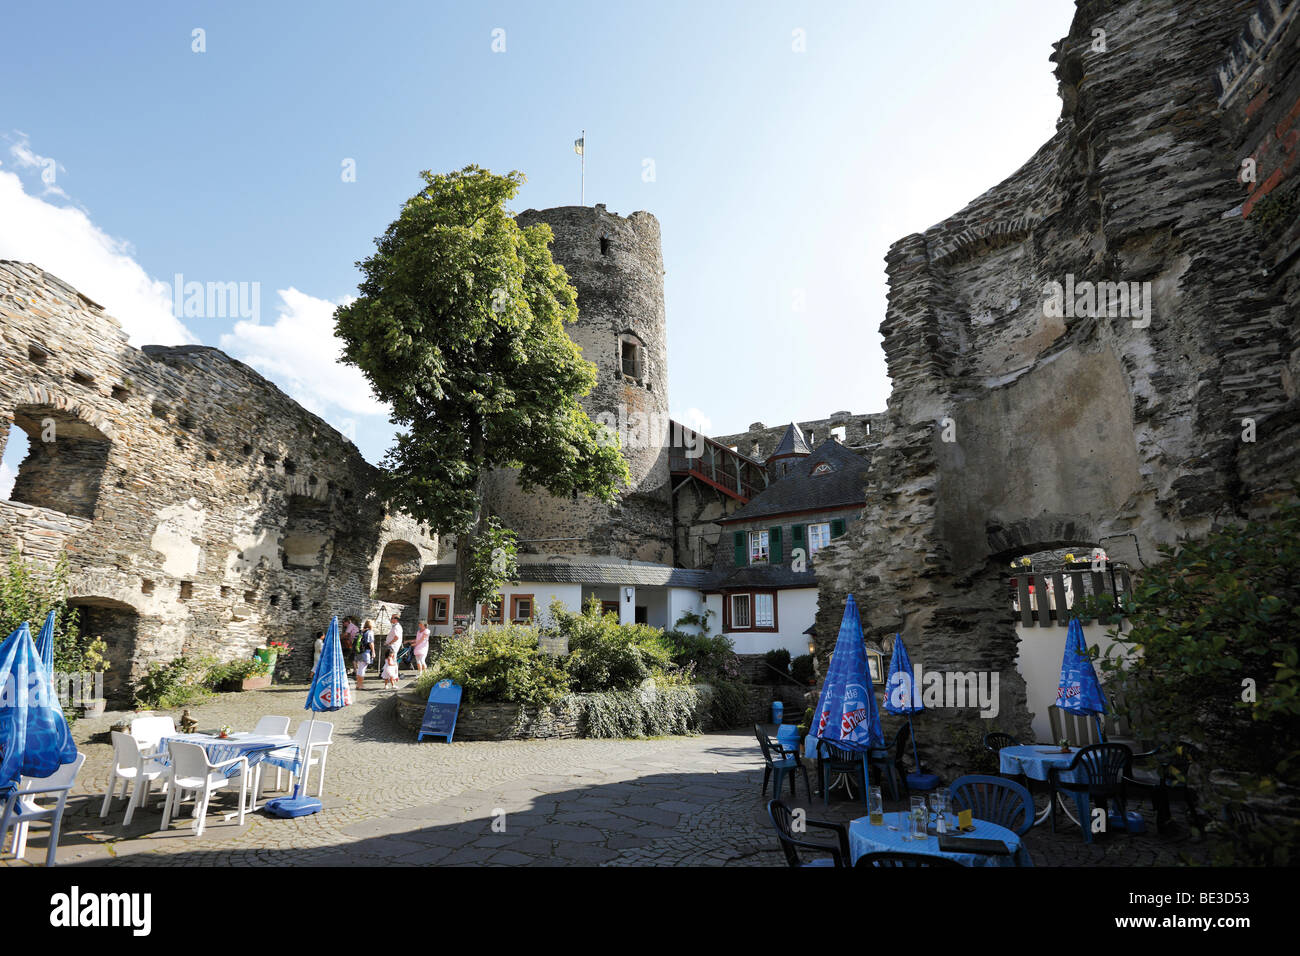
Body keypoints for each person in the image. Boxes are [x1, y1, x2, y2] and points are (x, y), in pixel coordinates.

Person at [355, 619, 375, 689]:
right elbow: (370, 643)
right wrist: (373, 652)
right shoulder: (369, 632)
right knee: (362, 669)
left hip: (359, 651)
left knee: (359, 668)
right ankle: (360, 685)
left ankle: (358, 684)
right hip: (365, 651)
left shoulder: (361, 631)